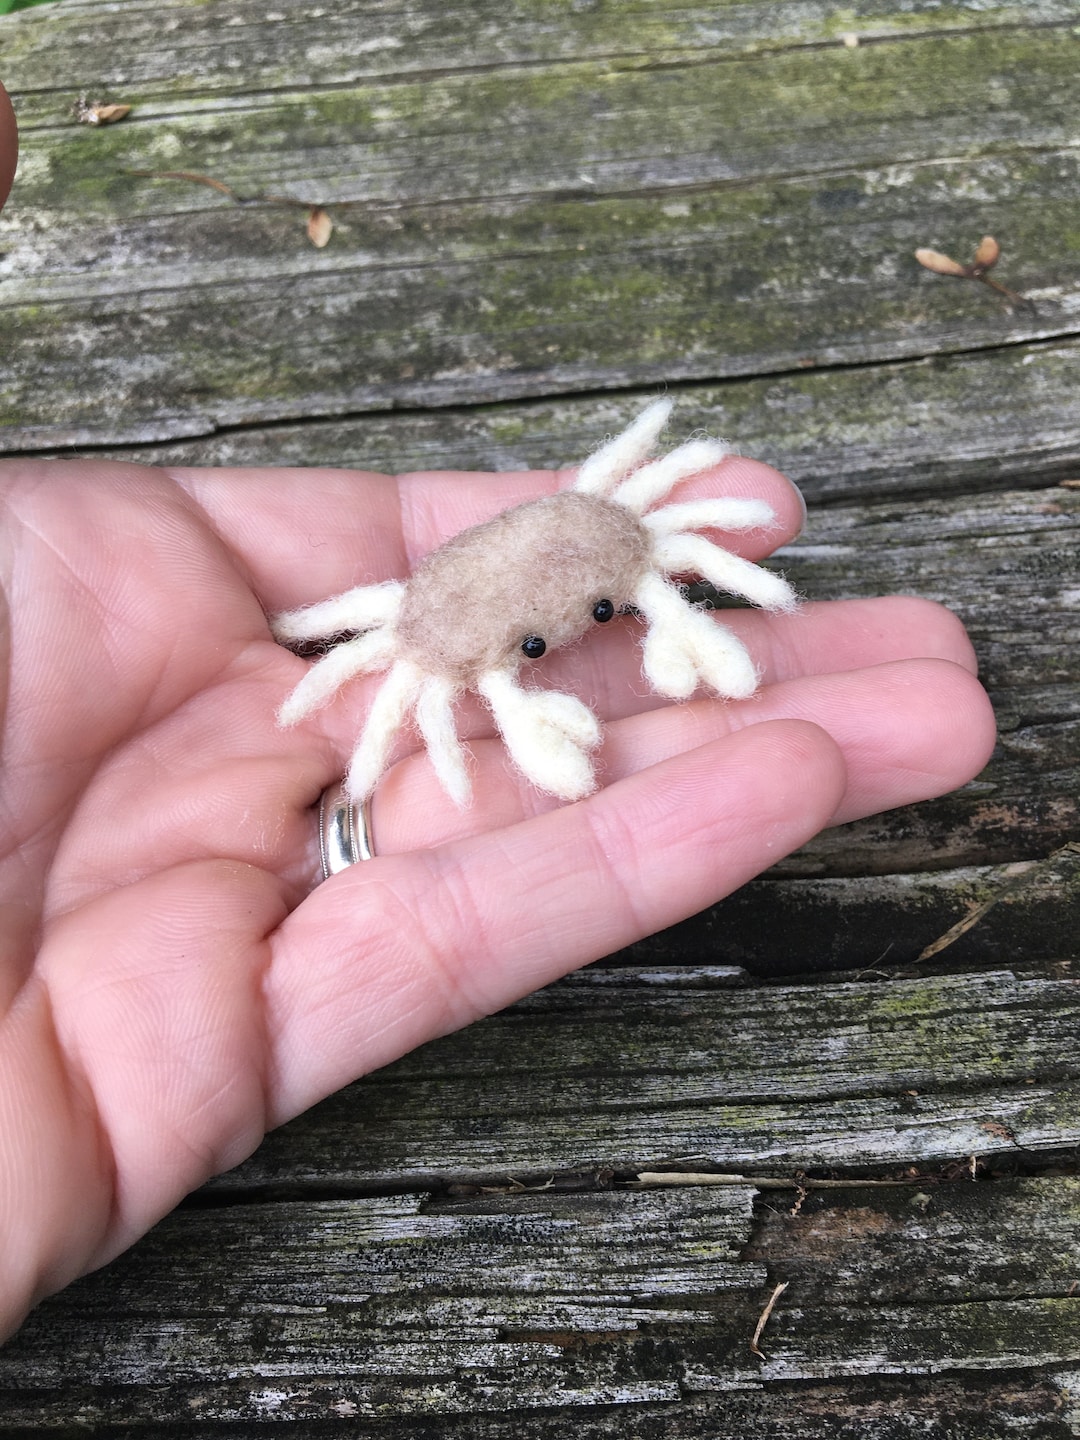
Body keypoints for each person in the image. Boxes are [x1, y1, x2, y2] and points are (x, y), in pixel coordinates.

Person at [0, 79, 996, 1342]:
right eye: (542, 649)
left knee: (738, 655)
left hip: (594, 533)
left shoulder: (639, 508)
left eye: (574, 626)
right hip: (473, 604)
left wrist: (635, 593)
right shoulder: (407, 651)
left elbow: (695, 517)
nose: (564, 648)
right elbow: (356, 700)